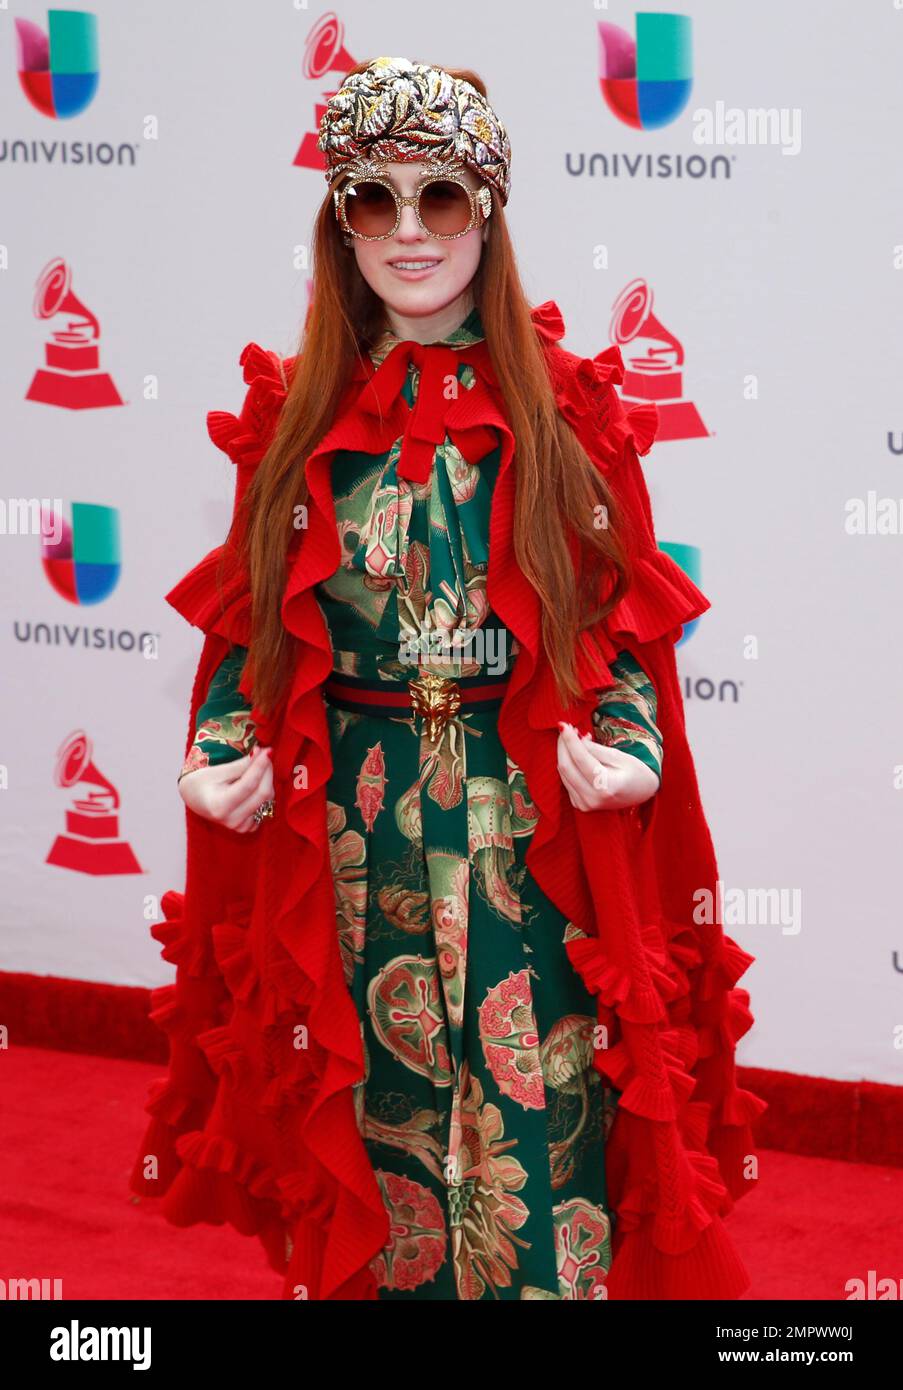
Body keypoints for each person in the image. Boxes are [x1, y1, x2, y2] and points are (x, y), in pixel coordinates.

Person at [130, 56, 765, 1301]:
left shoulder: (567, 415)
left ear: (490, 213)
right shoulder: (297, 420)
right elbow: (253, 633)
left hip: (524, 827)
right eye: (375, 200)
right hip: (354, 836)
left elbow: (612, 631)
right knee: (379, 1115)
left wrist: (629, 746)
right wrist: (213, 753)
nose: (410, 232)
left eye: (443, 200)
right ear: (340, 222)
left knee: (541, 1116)